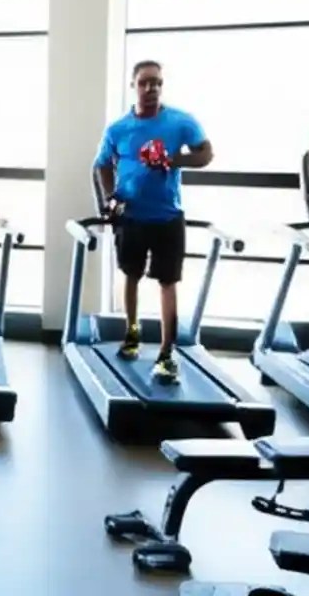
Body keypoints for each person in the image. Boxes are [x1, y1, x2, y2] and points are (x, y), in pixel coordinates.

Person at [94, 60, 214, 383]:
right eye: (145, 83)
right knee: (131, 276)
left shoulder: (179, 122)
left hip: (168, 216)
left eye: (157, 83)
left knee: (167, 283)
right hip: (131, 216)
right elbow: (102, 165)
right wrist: (110, 199)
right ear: (134, 85)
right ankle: (132, 335)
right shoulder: (118, 129)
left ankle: (166, 352)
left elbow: (205, 154)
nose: (151, 89)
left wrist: (173, 160)